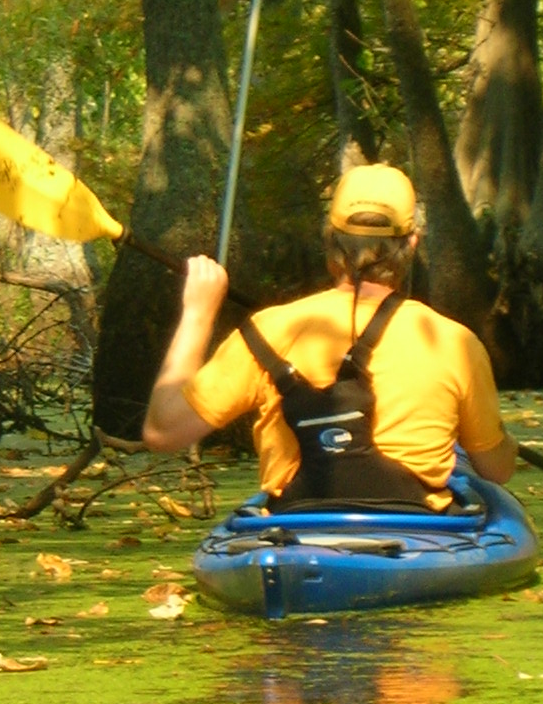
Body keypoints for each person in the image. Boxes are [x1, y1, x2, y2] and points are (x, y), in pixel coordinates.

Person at [141, 163, 515, 507]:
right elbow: (496, 471)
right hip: (418, 537)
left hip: (297, 533)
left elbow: (162, 432)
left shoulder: (269, 331)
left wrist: (198, 313)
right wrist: (502, 441)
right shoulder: (454, 341)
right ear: (412, 245)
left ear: (331, 241)